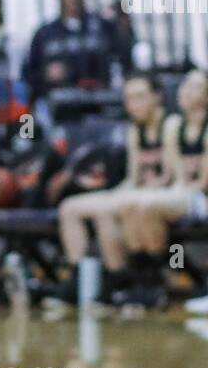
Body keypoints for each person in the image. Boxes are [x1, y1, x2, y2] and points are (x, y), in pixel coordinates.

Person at [42, 74, 170, 311]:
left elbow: (172, 177)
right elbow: (133, 179)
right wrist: (112, 195)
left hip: (165, 197)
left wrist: (124, 196)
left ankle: (133, 280)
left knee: (118, 208)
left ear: (157, 97)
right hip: (138, 192)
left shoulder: (171, 125)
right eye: (129, 98)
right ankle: (84, 278)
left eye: (140, 97)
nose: (134, 104)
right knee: (71, 208)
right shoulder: (134, 131)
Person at [117, 70, 208, 312]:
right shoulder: (174, 128)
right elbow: (177, 176)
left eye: (195, 87)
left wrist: (172, 192)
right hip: (184, 193)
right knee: (132, 204)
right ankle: (147, 281)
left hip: (201, 196)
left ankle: (171, 278)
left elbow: (203, 182)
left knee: (146, 204)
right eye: (184, 86)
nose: (186, 90)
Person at [24, 0, 121, 124]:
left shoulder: (103, 27)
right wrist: (46, 74)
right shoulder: (45, 34)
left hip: (102, 109)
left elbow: (121, 61)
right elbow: (29, 75)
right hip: (61, 114)